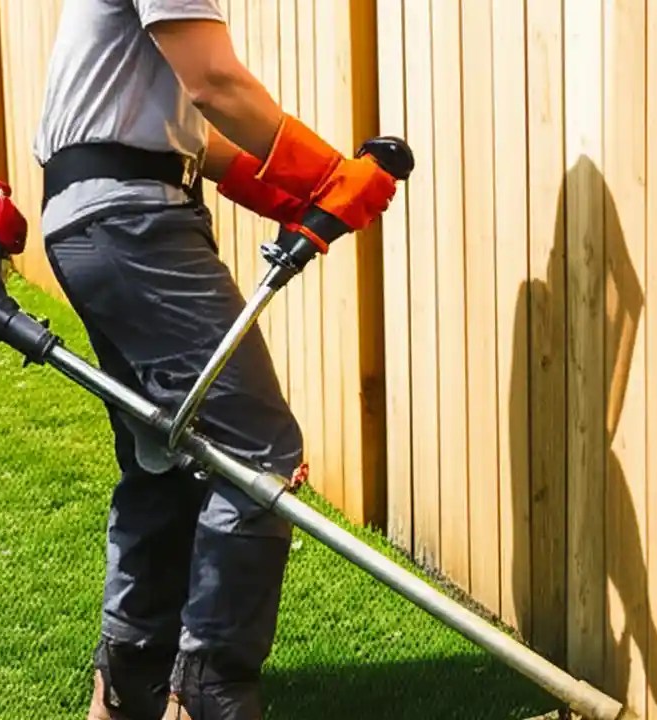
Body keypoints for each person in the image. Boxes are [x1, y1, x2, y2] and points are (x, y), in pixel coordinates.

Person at [31, 1, 397, 718]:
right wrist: (329, 173)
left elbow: (196, 137)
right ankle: (208, 694)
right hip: (135, 222)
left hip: (92, 217)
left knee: (163, 460)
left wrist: (306, 191)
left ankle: (129, 689)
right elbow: (215, 85)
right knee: (254, 452)